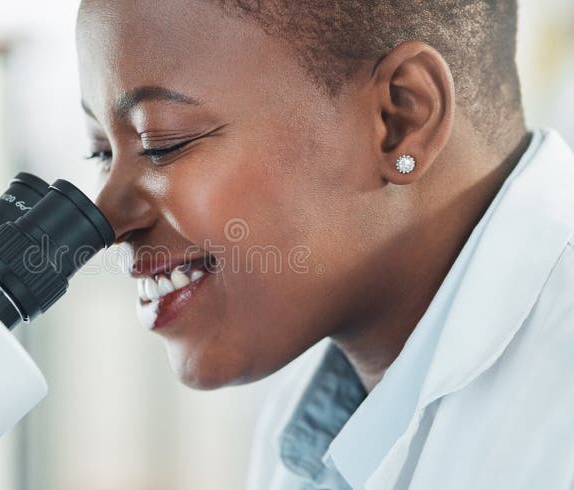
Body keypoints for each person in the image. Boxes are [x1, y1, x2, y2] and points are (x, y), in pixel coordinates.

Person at [75, 1, 574, 488]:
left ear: (398, 122)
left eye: (163, 143)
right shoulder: (309, 416)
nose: (107, 220)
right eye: (102, 151)